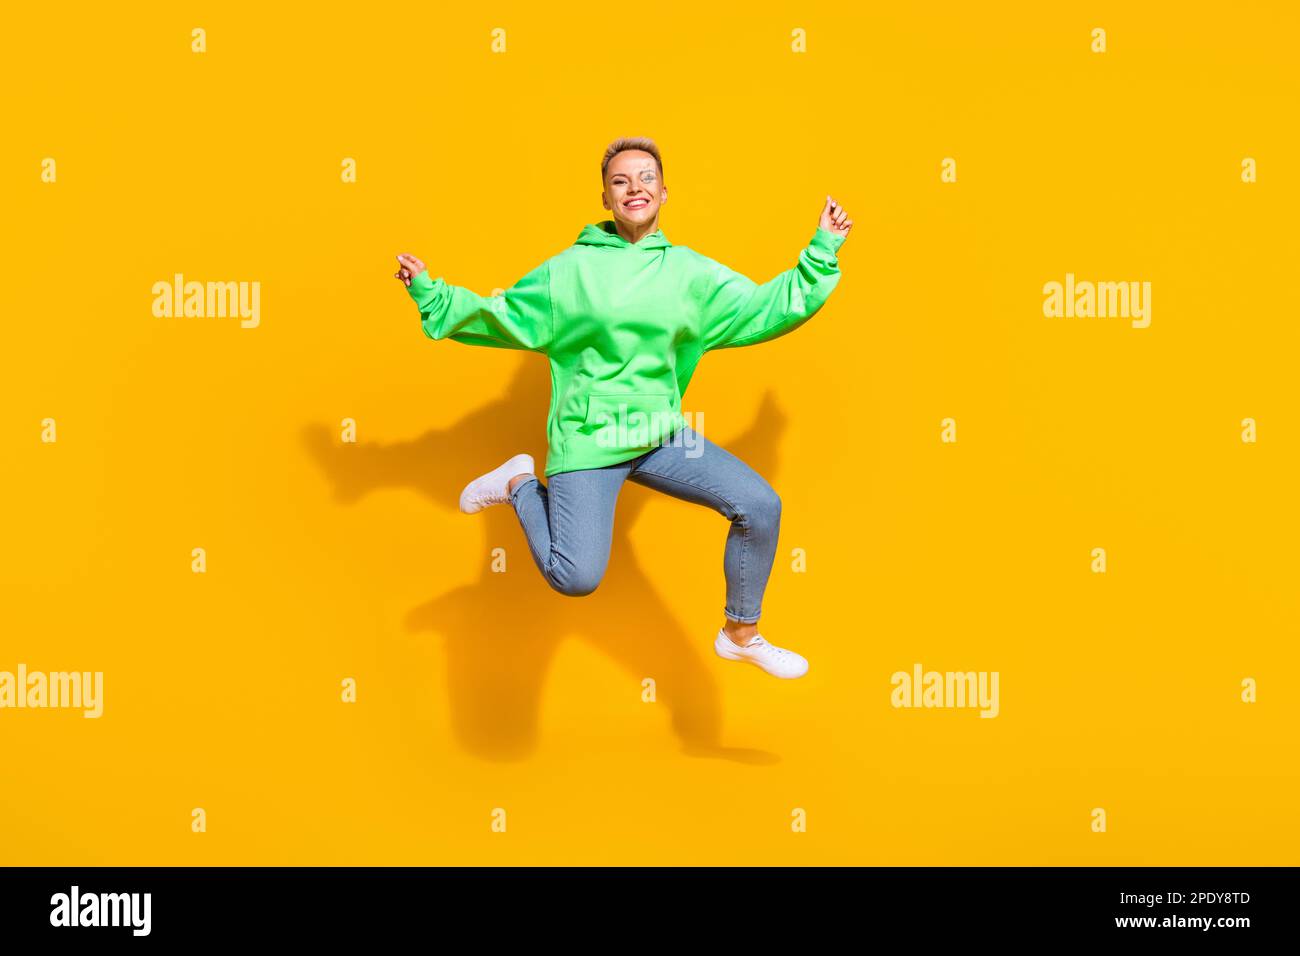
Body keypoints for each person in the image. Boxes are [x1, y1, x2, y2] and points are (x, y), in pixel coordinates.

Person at [394, 137, 851, 678]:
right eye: (621, 181)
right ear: (607, 198)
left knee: (759, 505)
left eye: (646, 178)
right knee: (575, 576)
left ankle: (740, 633)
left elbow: (763, 307)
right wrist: (432, 294)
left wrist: (821, 250)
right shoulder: (570, 272)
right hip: (589, 439)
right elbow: (502, 315)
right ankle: (519, 484)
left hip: (659, 435)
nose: (635, 188)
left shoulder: (690, 274)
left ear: (664, 191)